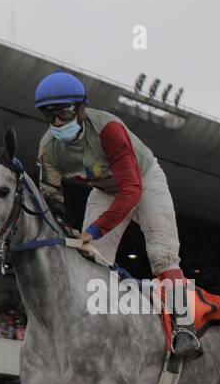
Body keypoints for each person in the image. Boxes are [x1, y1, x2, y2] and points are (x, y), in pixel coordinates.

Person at [33, 70, 202, 360]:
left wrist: (93, 231)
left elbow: (131, 192)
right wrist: (66, 230)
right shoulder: (49, 149)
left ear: (81, 108)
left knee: (162, 256)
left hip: (144, 181)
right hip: (105, 189)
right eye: (50, 115)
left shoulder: (108, 129)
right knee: (91, 258)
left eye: (64, 111)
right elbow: (50, 195)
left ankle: (184, 329)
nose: (58, 121)